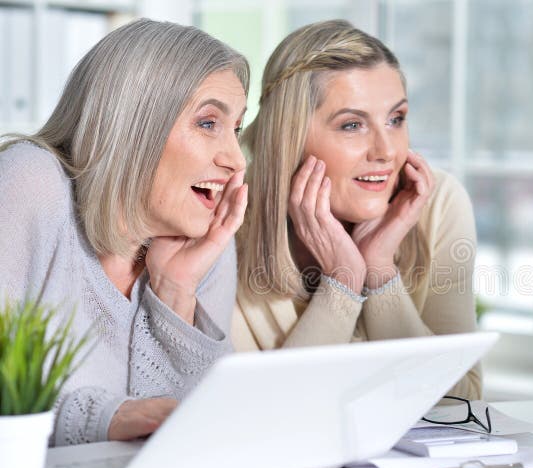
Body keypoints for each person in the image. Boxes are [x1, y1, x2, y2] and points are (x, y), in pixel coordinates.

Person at [0, 19, 249, 445]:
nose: (235, 160)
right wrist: (105, 418)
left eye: (236, 129)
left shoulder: (206, 240)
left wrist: (175, 295)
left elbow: (193, 435)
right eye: (208, 124)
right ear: (133, 123)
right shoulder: (32, 183)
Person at [234, 19, 481, 398]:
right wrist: (344, 282)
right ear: (289, 137)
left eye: (396, 119)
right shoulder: (226, 227)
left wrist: (380, 271)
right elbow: (269, 414)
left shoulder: (437, 202)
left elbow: (459, 404)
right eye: (352, 125)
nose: (386, 151)